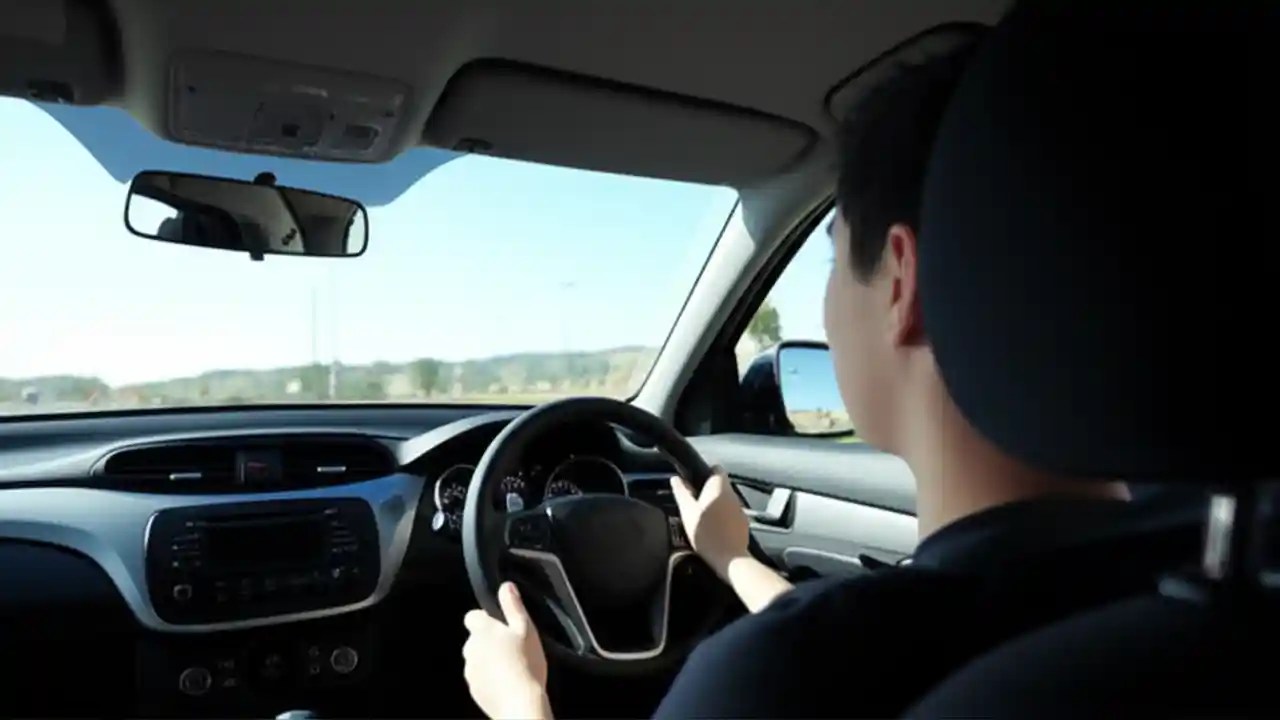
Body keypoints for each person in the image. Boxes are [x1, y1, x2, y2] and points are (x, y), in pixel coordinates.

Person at [461, 40, 1141, 719]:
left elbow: (843, 650)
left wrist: (520, 701)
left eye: (834, 264)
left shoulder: (772, 678)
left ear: (902, 285)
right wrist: (731, 559)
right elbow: (863, 640)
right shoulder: (1203, 583)